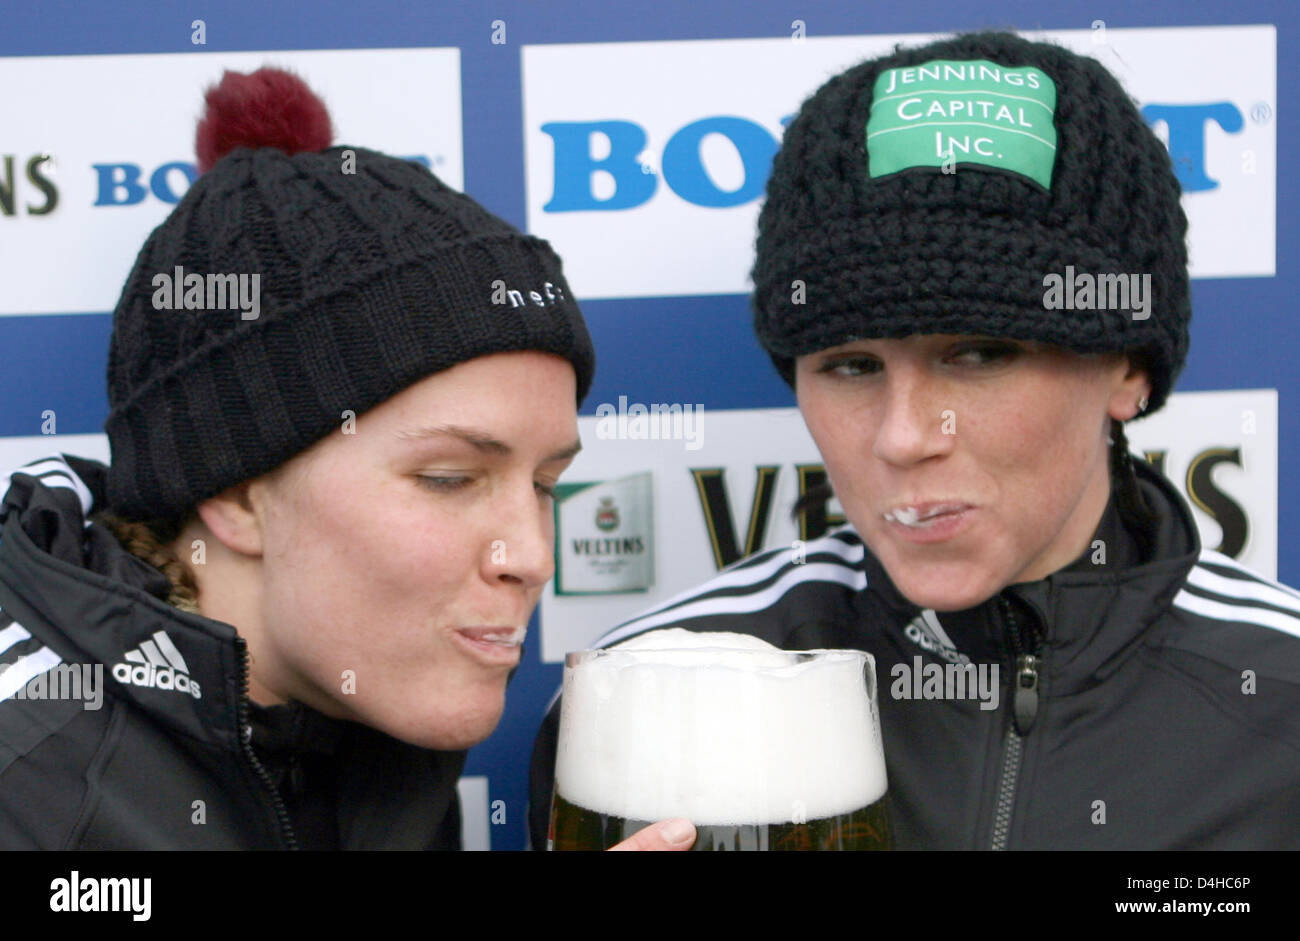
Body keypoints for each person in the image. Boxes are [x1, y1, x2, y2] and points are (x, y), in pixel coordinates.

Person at [530, 31, 1300, 850]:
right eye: (852, 365)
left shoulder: (1279, 694)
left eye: (979, 353)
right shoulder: (644, 699)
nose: (902, 437)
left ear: (1129, 370)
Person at [0, 67, 692, 850]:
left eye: (544, 484)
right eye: (450, 478)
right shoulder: (34, 795)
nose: (532, 556)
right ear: (233, 492)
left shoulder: (363, 704)